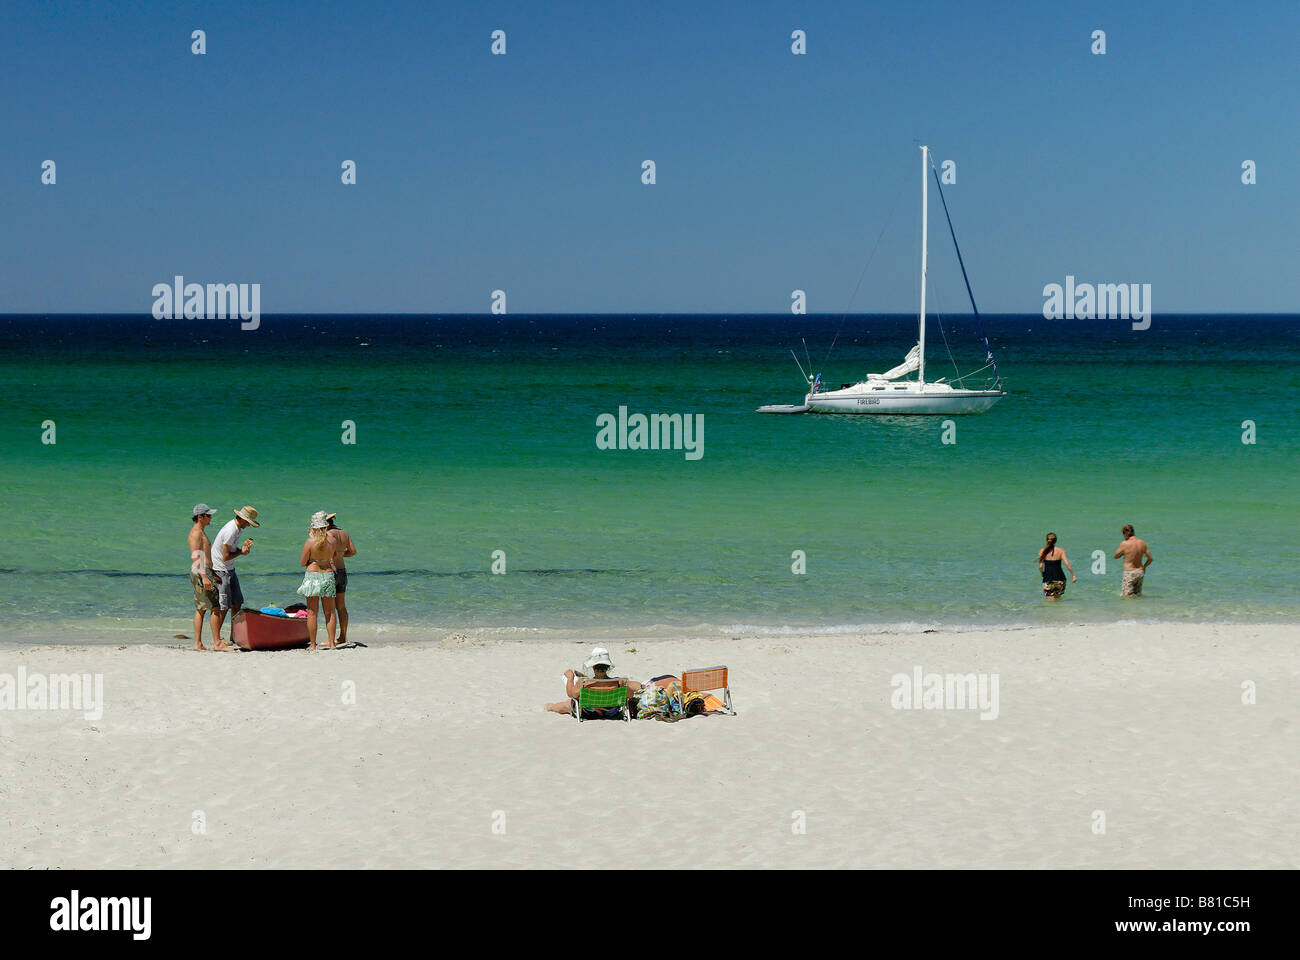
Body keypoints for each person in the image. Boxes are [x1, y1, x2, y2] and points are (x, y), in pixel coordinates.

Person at [210, 505, 259, 647]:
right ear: (243, 520)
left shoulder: (237, 529)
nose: (249, 526)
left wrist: (241, 549)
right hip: (221, 570)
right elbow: (225, 556)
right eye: (249, 523)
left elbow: (230, 551)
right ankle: (217, 640)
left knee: (237, 602)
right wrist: (242, 553)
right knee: (224, 606)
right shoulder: (231, 530)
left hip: (229, 569)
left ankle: (233, 636)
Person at [545, 647, 641, 716]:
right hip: (610, 711)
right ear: (607, 667)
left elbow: (571, 694)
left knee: (567, 704)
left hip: (588, 712)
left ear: (593, 667)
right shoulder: (618, 682)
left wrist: (570, 678)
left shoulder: (584, 683)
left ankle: (551, 707)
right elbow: (630, 695)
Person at [298, 512, 339, 649]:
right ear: (326, 526)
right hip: (327, 575)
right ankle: (332, 643)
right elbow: (333, 556)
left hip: (313, 575)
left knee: (312, 612)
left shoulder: (310, 542)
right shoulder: (333, 540)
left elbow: (303, 562)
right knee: (330, 612)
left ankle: (313, 644)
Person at [187, 504, 222, 650]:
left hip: (205, 571)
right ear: (200, 517)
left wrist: (212, 573)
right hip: (200, 572)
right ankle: (217, 643)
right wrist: (205, 577)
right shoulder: (196, 533)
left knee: (202, 609)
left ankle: (199, 643)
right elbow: (196, 556)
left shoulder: (201, 531)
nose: (211, 518)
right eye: (208, 515)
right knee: (215, 607)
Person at [324, 512, 357, 644]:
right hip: (342, 571)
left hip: (331, 572)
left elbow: (326, 554)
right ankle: (343, 636)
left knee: (330, 609)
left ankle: (331, 640)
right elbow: (353, 551)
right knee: (341, 607)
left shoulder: (328, 535)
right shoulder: (344, 533)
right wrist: (341, 556)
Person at [1113, 524, 1153, 597]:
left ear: (1124, 533)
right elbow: (1150, 559)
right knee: (1137, 596)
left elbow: (1115, 556)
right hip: (1140, 572)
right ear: (1133, 532)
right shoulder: (1142, 542)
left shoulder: (1124, 543)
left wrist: (1124, 552)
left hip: (1129, 573)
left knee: (1126, 597)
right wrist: (1144, 566)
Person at [1037, 532, 1076, 600]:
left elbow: (1040, 566)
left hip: (1048, 579)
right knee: (1058, 599)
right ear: (1056, 540)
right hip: (1060, 578)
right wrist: (1073, 575)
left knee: (1049, 602)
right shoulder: (1061, 551)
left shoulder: (1042, 551)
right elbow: (1067, 564)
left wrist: (1042, 573)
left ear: (1047, 540)